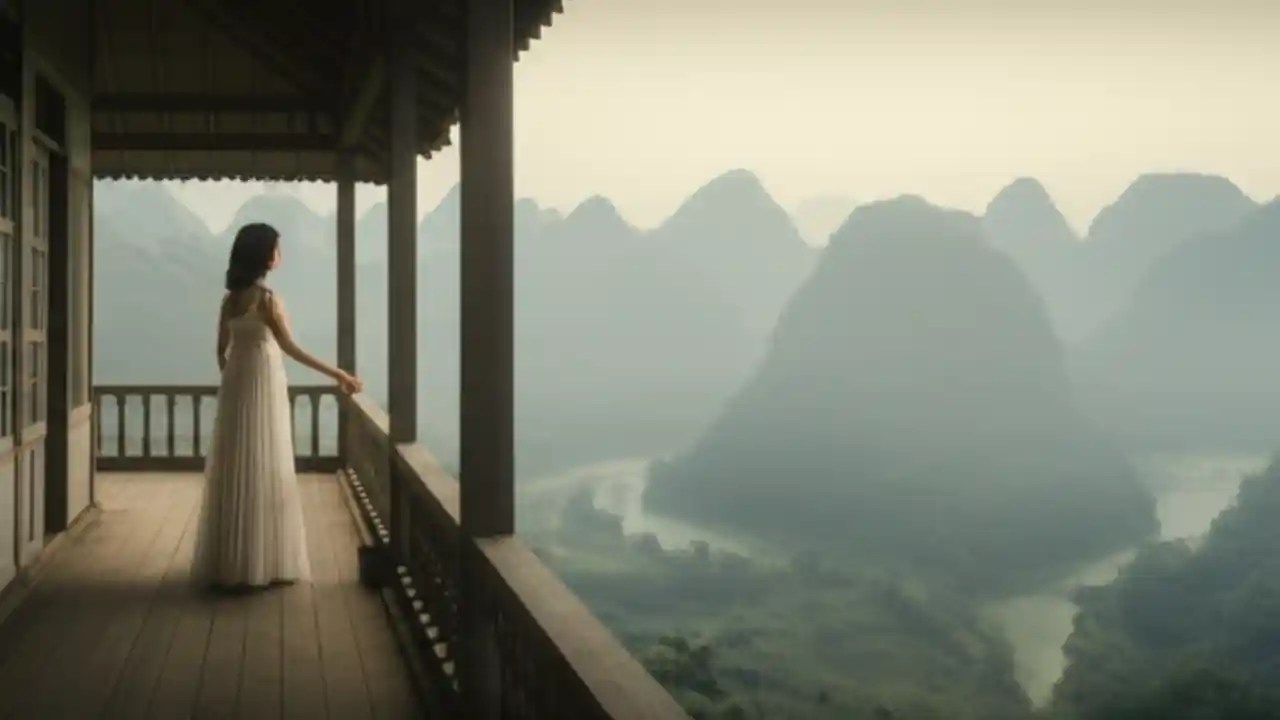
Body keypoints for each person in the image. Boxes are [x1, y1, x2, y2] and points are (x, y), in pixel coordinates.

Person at [192, 223, 362, 589]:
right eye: (277, 248)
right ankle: (262, 559)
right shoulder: (266, 299)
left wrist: (235, 378)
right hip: (264, 388)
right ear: (266, 255)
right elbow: (291, 348)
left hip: (238, 389)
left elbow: (220, 351)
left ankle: (231, 561)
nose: (280, 254)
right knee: (265, 464)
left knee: (236, 465)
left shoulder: (230, 300)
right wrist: (338, 374)